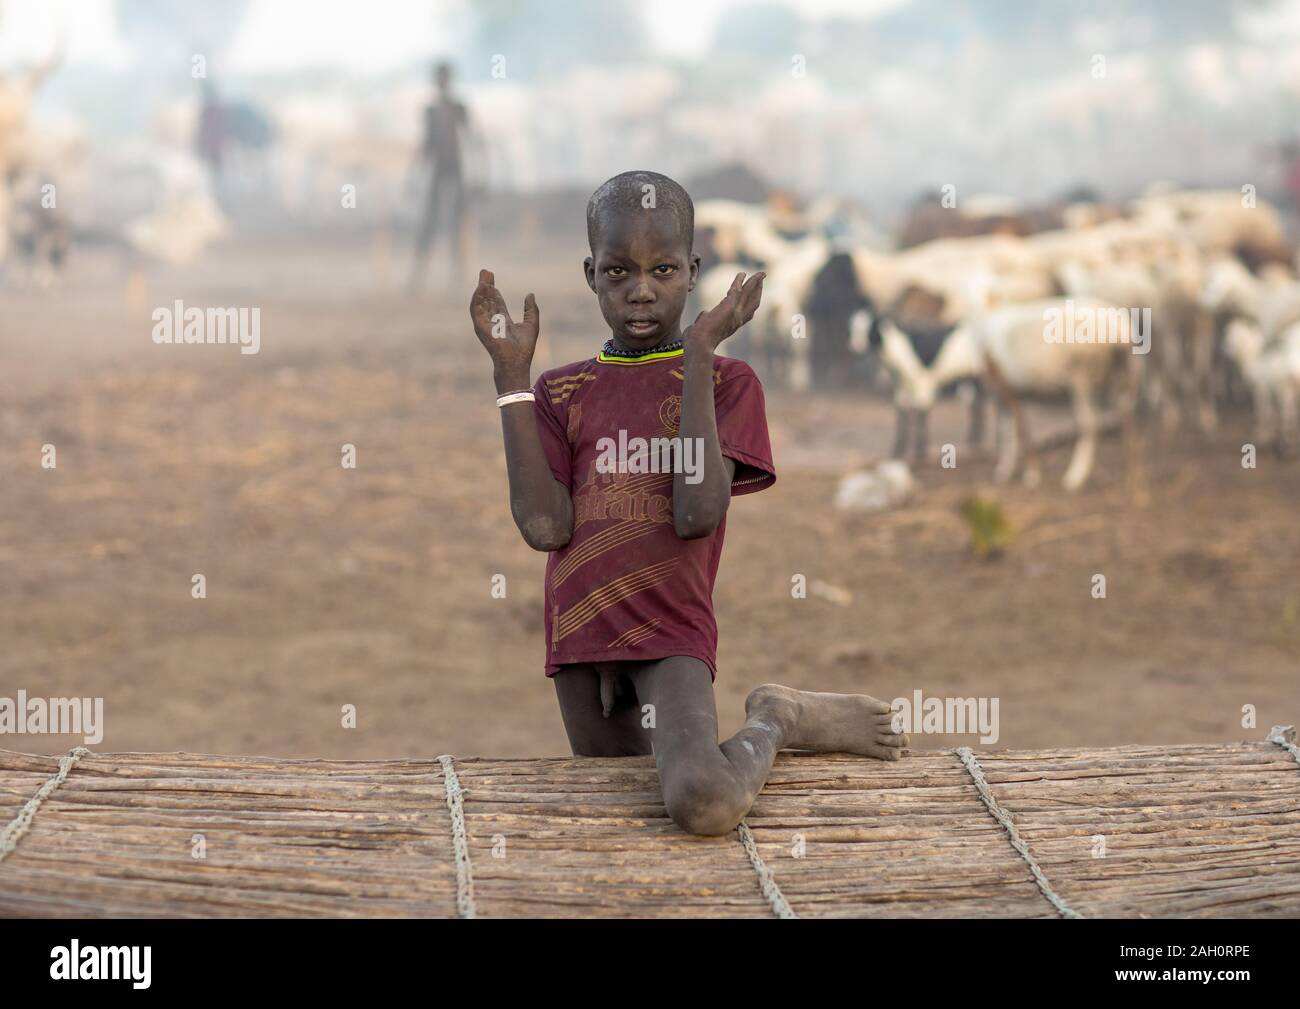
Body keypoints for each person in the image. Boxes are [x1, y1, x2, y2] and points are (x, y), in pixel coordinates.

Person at [468, 170, 909, 836]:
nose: (641, 289)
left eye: (664, 269)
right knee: (619, 819)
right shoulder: (560, 393)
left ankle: (776, 718)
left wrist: (700, 352)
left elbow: (696, 511)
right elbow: (544, 525)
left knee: (702, 798)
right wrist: (510, 379)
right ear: (590, 274)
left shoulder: (729, 383)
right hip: (581, 639)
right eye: (618, 271)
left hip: (669, 632)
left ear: (694, 270)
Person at [410, 61, 470, 291]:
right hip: (438, 172)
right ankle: (418, 276)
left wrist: (478, 175)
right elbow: (427, 145)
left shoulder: (458, 108)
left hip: (457, 172)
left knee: (455, 225)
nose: (442, 83)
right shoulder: (432, 111)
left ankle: (457, 278)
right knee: (430, 224)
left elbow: (470, 141)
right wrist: (415, 174)